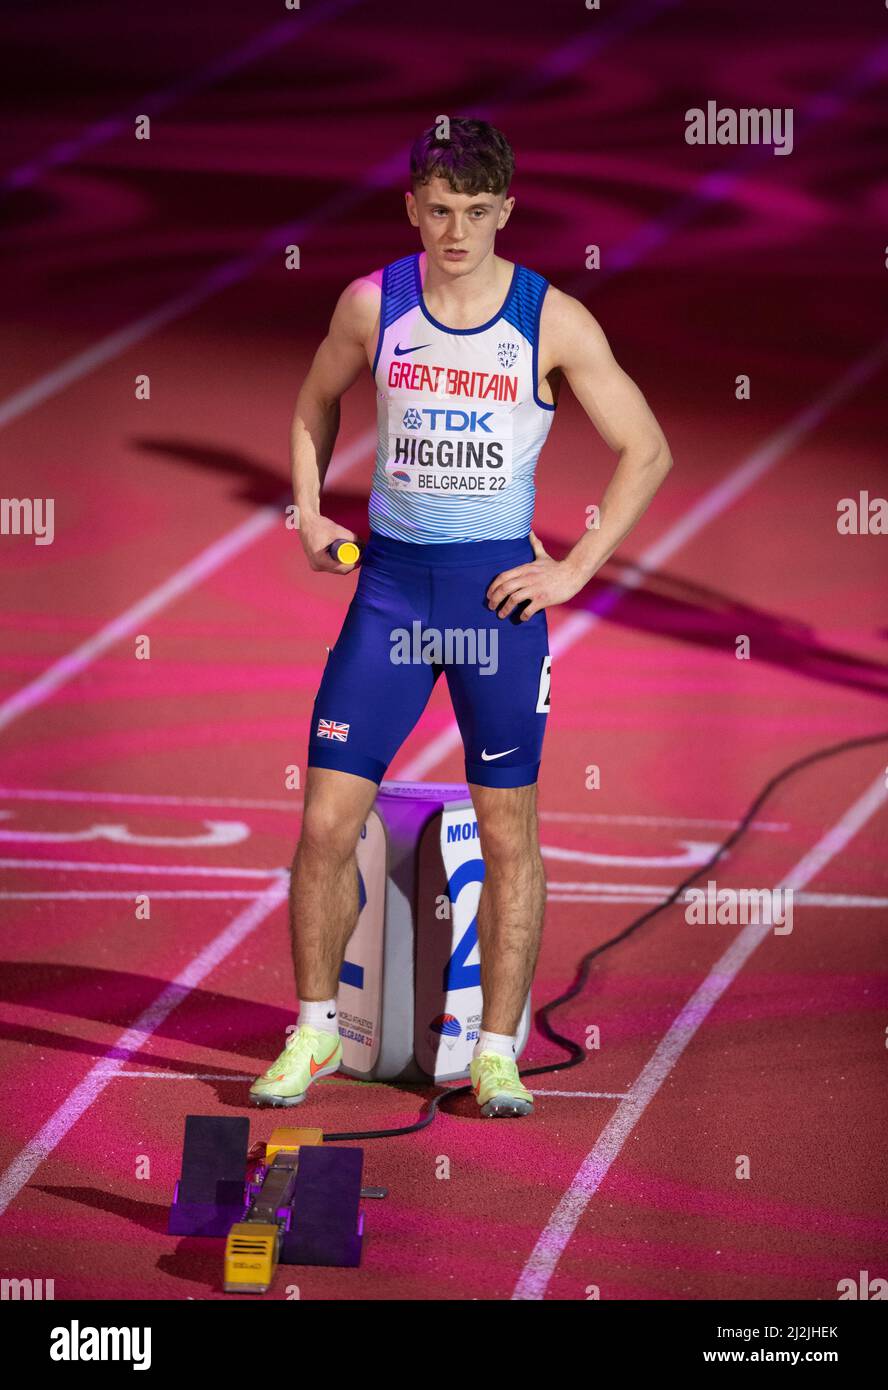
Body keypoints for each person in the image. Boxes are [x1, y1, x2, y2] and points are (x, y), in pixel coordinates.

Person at [250, 118, 672, 1117]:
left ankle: (495, 1051)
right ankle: (312, 1032)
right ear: (411, 206)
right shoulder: (371, 304)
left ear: (506, 211)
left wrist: (574, 570)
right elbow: (314, 405)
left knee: (508, 828)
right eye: (439, 209)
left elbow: (646, 447)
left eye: (478, 212)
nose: (456, 230)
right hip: (391, 591)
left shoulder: (550, 319)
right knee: (323, 824)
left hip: (494, 601)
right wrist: (309, 513)